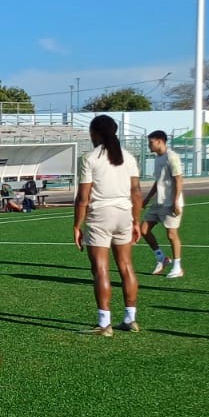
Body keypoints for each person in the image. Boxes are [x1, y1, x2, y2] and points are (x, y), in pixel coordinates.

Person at [72, 114, 144, 336]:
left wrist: (77, 225)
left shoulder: (90, 158)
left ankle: (104, 324)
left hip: (101, 214)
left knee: (101, 269)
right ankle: (130, 319)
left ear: (96, 133)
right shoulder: (129, 158)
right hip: (124, 214)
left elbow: (83, 197)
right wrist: (136, 222)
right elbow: (136, 192)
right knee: (126, 267)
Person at [139, 130, 186, 278]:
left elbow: (179, 179)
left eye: (151, 142)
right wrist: (147, 198)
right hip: (158, 202)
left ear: (160, 141)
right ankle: (162, 258)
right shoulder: (158, 158)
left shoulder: (172, 157)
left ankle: (178, 267)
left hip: (170, 203)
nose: (149, 145)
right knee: (144, 229)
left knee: (172, 235)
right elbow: (158, 181)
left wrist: (175, 201)